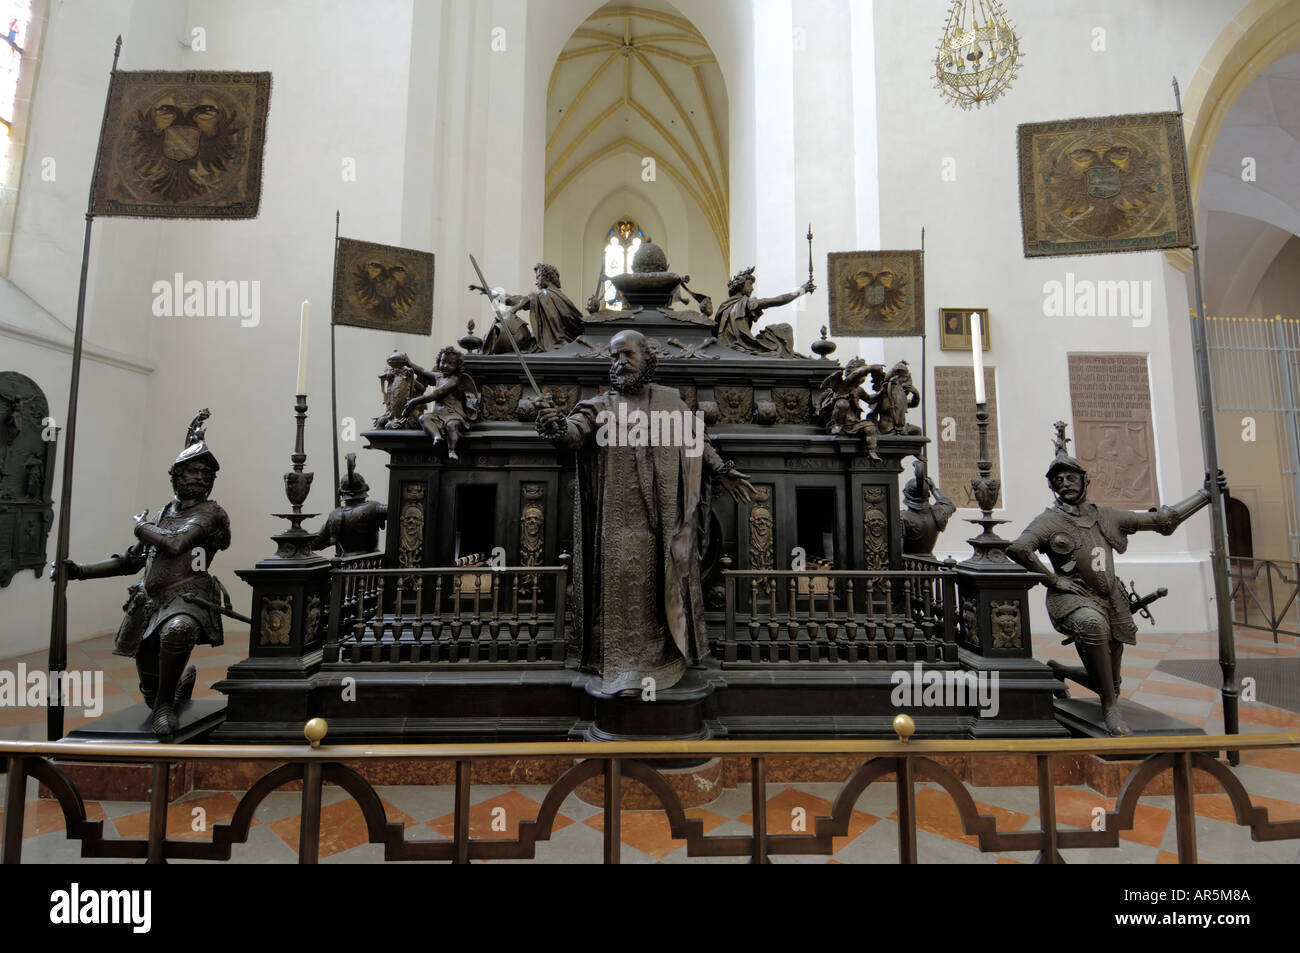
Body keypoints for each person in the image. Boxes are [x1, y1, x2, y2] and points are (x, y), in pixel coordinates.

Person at [536, 330, 753, 695]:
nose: (619, 363)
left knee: (663, 586)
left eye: (627, 355)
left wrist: (721, 469)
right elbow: (573, 434)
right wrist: (556, 426)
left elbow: (695, 437)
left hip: (664, 517)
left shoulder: (670, 401)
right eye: (613, 357)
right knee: (621, 593)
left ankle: (665, 661)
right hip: (617, 521)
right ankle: (621, 669)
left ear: (646, 358)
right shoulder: (601, 405)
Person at [1006, 422, 1220, 736]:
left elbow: (1163, 521)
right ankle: (1109, 708)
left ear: (1084, 480)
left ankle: (1060, 671)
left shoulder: (1106, 516)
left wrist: (1205, 494)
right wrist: (1053, 580)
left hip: (1111, 599)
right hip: (1072, 598)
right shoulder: (1049, 521)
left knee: (1107, 679)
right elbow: (1019, 548)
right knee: (1092, 627)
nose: (1065, 483)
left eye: (1071, 477)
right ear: (1052, 487)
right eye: (1058, 479)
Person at [61, 411, 232, 737]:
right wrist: (81, 571)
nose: (199, 477)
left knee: (178, 631)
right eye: (191, 470)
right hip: (150, 599)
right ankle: (173, 689)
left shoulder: (211, 513)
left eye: (205, 473)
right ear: (175, 476)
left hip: (188, 593)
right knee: (149, 686)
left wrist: (141, 527)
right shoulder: (164, 513)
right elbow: (133, 560)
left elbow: (176, 543)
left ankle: (167, 704)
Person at [713, 266, 813, 357]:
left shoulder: (724, 306)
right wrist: (801, 290)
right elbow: (777, 300)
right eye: (749, 284)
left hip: (725, 348)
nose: (752, 288)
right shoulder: (747, 302)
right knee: (785, 328)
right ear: (740, 286)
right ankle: (788, 355)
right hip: (744, 346)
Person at [403, 346, 480, 460]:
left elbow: (437, 393)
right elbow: (423, 371)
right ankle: (437, 437)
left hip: (453, 414)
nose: (445, 366)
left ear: (457, 366)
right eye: (443, 362)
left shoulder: (453, 380)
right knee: (423, 418)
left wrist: (415, 400)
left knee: (451, 426)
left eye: (450, 363)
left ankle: (452, 450)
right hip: (438, 414)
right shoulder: (439, 376)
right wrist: (410, 364)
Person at [488, 263, 585, 351]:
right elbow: (512, 299)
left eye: (538, 277)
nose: (536, 282)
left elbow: (513, 300)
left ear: (546, 277)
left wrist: (489, 291)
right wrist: (489, 291)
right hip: (564, 346)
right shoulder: (560, 297)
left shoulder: (542, 295)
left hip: (550, 346)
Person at [312, 453, 388, 557]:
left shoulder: (335, 516)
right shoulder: (374, 508)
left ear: (342, 492)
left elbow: (314, 544)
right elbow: (395, 509)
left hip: (347, 566)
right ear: (364, 488)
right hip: (373, 565)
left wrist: (333, 540)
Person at [900, 458, 956, 555]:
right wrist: (933, 488)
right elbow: (948, 504)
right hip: (930, 563)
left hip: (910, 565)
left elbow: (898, 550)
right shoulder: (937, 513)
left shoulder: (903, 517)